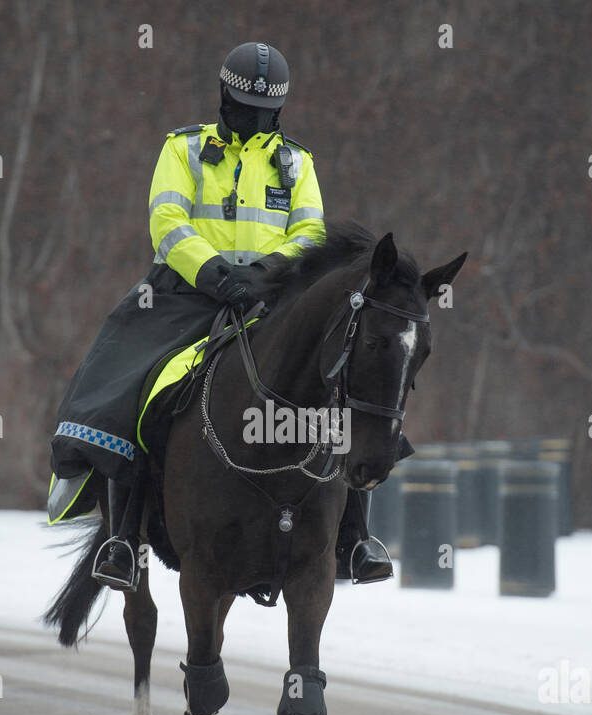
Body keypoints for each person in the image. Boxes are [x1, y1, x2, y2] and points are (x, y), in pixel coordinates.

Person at [49, 41, 396, 593]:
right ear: (223, 98)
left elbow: (310, 233)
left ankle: (355, 536)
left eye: (262, 112)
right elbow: (167, 220)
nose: (251, 120)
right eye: (241, 107)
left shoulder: (298, 162)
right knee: (133, 382)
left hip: (274, 294)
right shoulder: (182, 149)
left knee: (343, 383)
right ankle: (121, 537)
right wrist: (214, 273)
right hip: (186, 291)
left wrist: (266, 275)